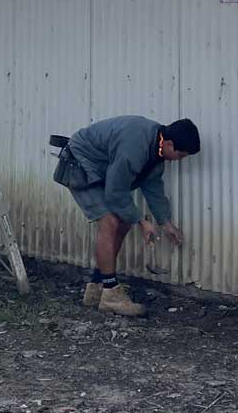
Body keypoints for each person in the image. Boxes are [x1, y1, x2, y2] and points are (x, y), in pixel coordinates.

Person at [52, 115, 200, 316]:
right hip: (79, 162)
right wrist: (141, 221)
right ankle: (111, 294)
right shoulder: (136, 145)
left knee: (123, 221)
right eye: (180, 155)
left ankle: (97, 288)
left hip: (100, 169)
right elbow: (115, 192)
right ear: (170, 144)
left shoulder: (156, 149)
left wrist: (165, 223)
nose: (179, 160)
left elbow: (153, 185)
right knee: (110, 221)